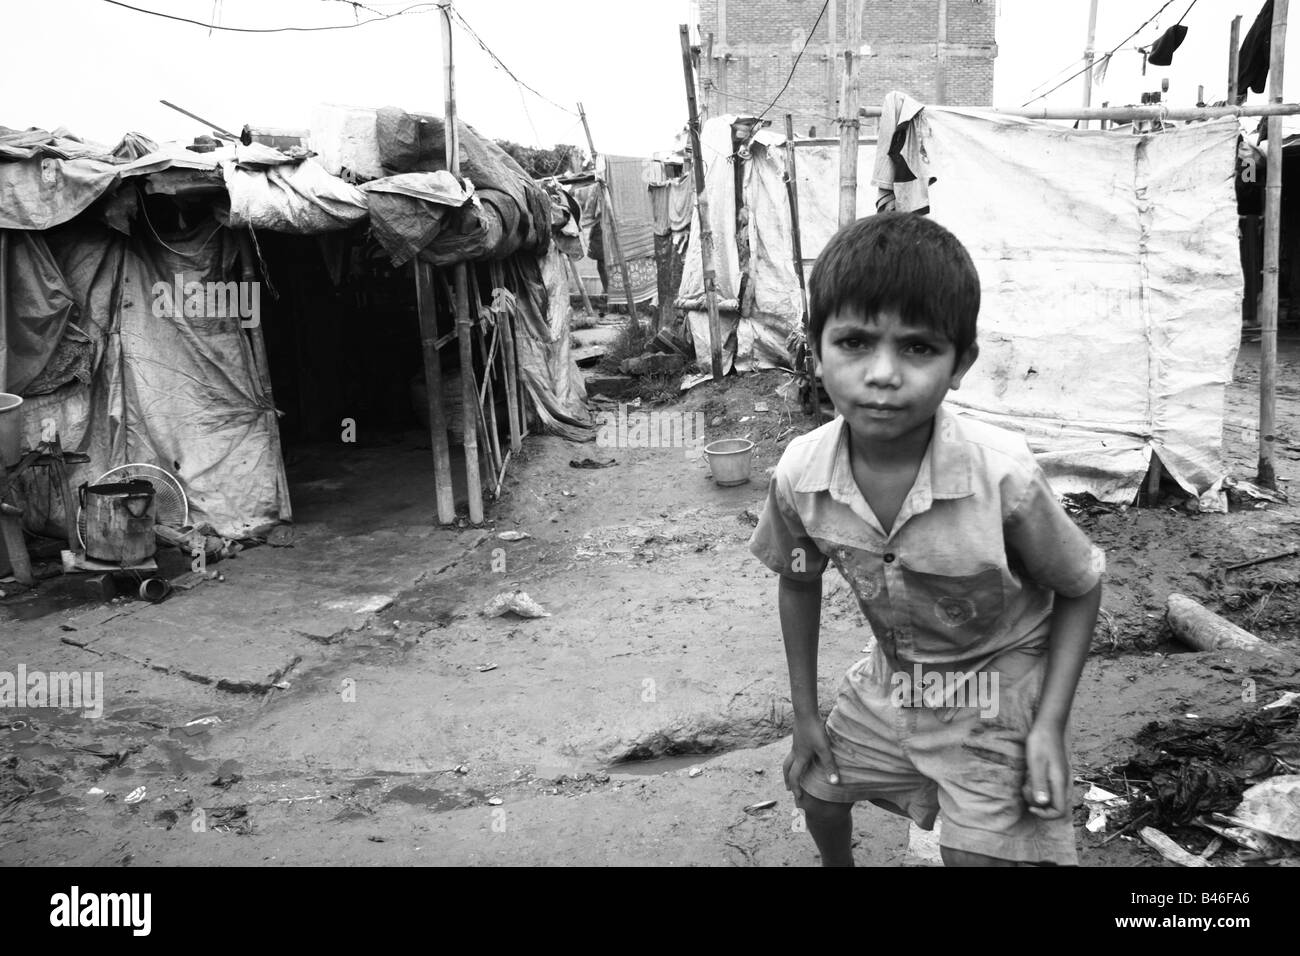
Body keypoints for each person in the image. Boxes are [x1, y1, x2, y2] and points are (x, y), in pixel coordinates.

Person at [748, 213, 1104, 866]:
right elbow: (797, 580)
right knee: (817, 789)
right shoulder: (801, 474)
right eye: (854, 342)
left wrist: (1050, 725)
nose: (883, 374)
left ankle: (973, 816)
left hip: (998, 687)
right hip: (894, 680)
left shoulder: (1005, 477)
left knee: (974, 857)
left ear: (961, 363)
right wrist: (804, 715)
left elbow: (1081, 587)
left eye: (917, 348)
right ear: (814, 348)